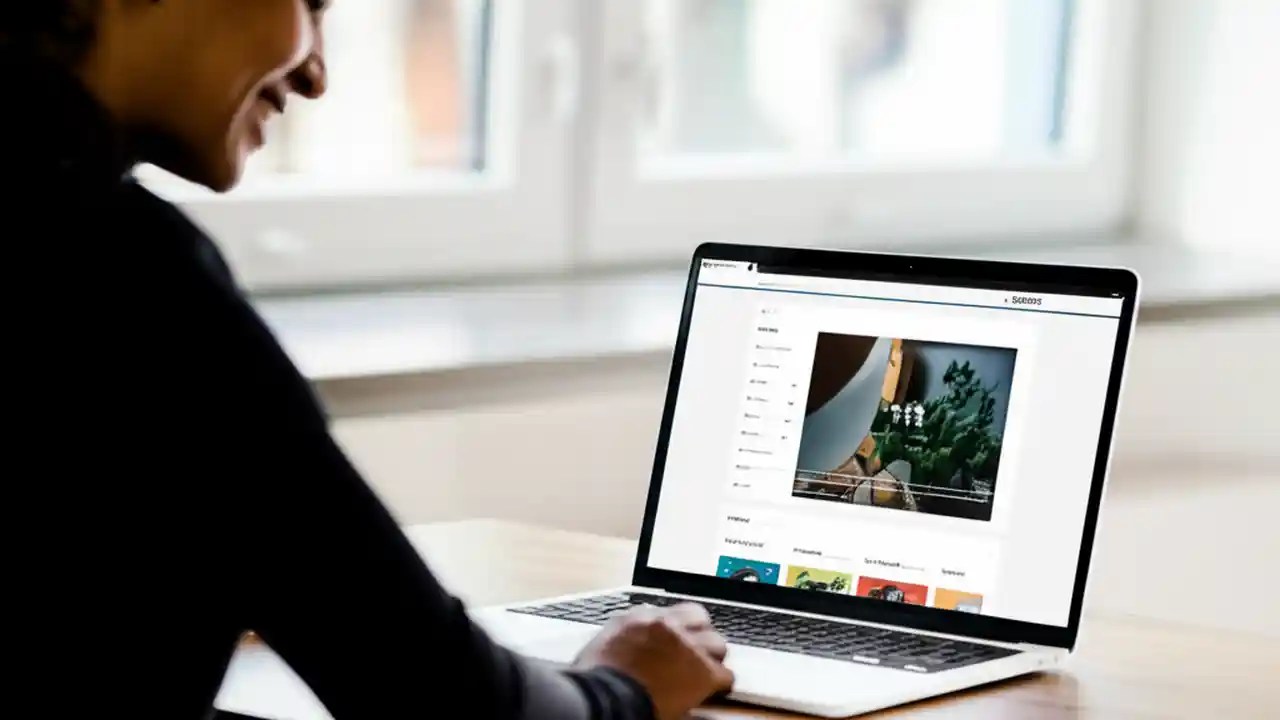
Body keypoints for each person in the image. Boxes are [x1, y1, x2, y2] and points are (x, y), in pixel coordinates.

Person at [2, 2, 733, 719]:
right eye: (309, 5)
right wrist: (624, 688)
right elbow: (444, 699)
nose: (314, 73)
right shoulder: (134, 282)